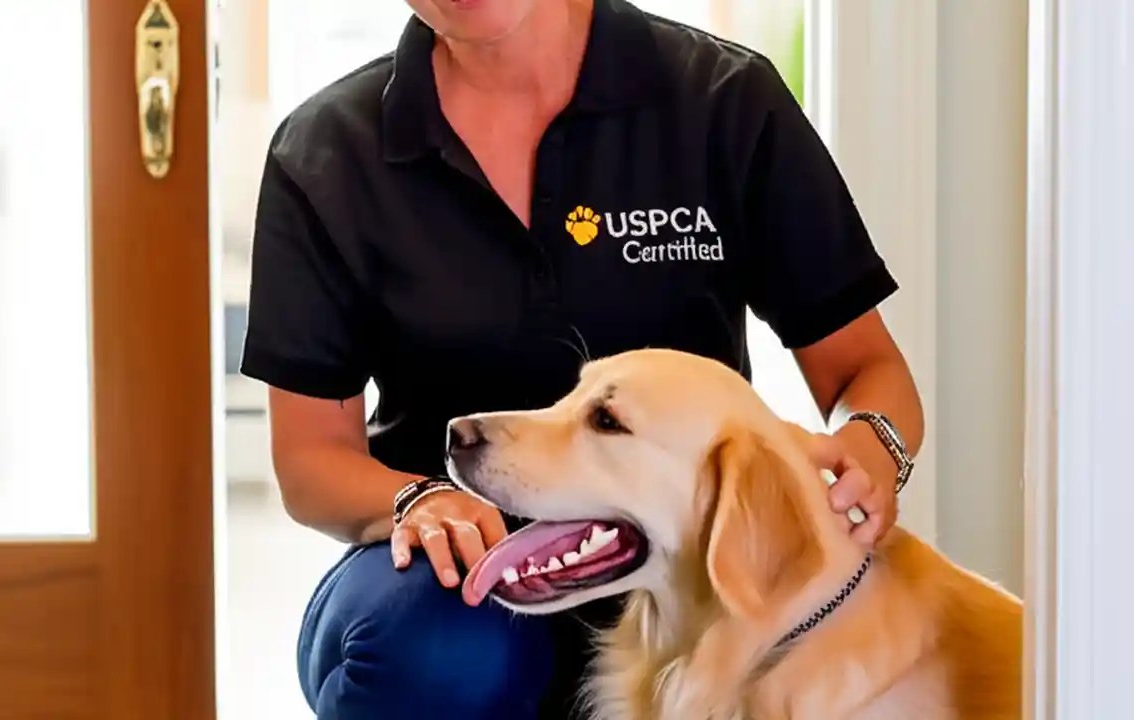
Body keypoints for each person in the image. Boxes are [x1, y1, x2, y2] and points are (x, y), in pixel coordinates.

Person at [239, 0, 924, 717]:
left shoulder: (723, 101)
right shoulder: (324, 152)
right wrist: (420, 499)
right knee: (436, 652)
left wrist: (872, 445)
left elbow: (865, 373)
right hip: (456, 571)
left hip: (680, 555)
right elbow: (311, 461)